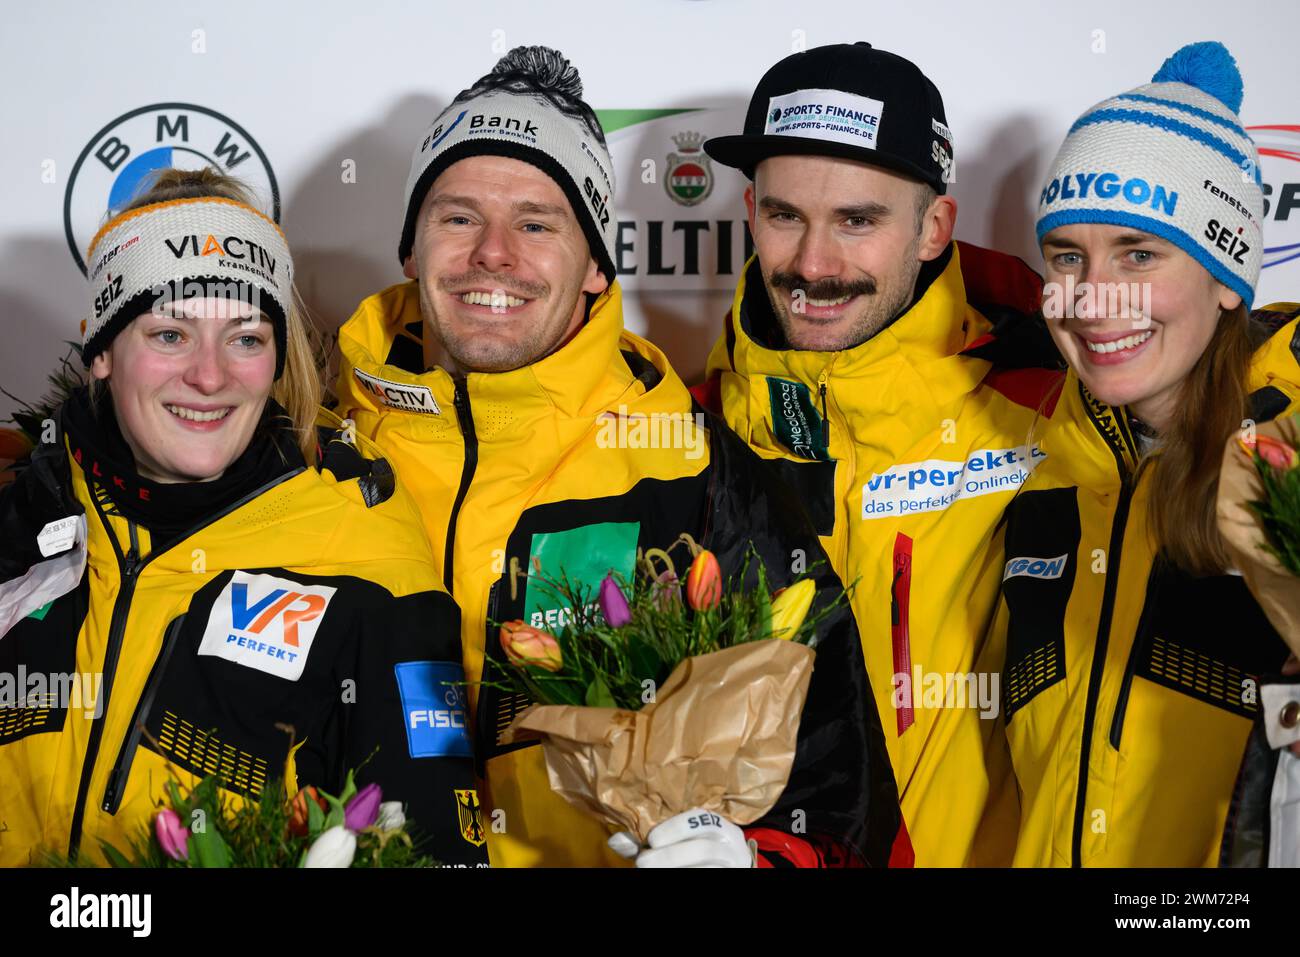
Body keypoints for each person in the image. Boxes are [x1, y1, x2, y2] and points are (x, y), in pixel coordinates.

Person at [333, 45, 904, 868]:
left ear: (597, 264)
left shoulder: (694, 469)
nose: (493, 254)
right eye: (458, 217)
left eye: (536, 224)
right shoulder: (319, 458)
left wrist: (757, 860)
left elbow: (838, 787)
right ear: (411, 250)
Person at [0, 169, 486, 867]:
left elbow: (439, 852)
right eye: (170, 334)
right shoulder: (24, 533)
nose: (209, 375)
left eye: (246, 338)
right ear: (102, 352)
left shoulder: (365, 558)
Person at [698, 41, 1059, 866]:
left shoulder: (1050, 410)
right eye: (786, 215)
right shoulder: (688, 431)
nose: (813, 265)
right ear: (752, 211)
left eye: (858, 220)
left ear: (935, 227)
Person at [987, 41, 1300, 866]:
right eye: (1067, 256)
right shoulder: (1036, 458)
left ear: (1228, 273)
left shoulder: (1289, 464)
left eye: (1138, 252)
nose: (1095, 298)